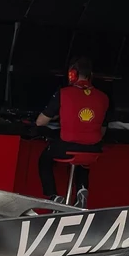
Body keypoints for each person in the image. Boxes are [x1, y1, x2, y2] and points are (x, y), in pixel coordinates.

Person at [36, 56, 110, 203]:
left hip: (67, 148)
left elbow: (40, 122)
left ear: (72, 74)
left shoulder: (64, 93)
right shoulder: (103, 97)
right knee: (83, 155)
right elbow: (102, 130)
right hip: (94, 150)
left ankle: (54, 196)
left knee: (45, 159)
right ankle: (82, 188)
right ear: (91, 75)